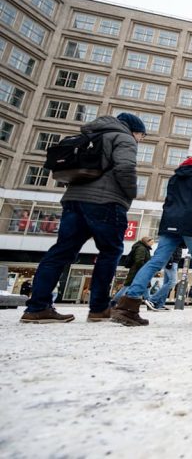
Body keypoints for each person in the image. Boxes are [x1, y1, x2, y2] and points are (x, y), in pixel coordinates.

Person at [20, 113, 145, 324]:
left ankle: (37, 307)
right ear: (134, 130)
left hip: (73, 200)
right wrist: (131, 193)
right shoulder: (123, 138)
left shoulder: (91, 135)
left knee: (61, 251)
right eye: (142, 135)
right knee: (109, 252)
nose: (140, 140)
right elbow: (125, 168)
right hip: (106, 202)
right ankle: (98, 308)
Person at [112, 144, 192, 326]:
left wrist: (167, 223)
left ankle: (128, 304)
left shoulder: (176, 175)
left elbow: (168, 202)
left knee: (156, 261)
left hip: (170, 223)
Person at [110, 236, 153, 305]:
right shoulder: (141, 248)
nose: (152, 244)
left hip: (139, 271)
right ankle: (114, 302)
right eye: (151, 242)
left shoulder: (144, 248)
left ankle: (149, 302)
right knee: (127, 287)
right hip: (137, 271)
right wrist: (144, 269)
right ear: (147, 242)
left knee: (146, 286)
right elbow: (139, 261)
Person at [146, 244, 183, 311]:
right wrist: (170, 261)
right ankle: (152, 299)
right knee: (173, 282)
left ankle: (159, 304)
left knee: (166, 283)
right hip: (171, 261)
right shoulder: (175, 237)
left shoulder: (179, 239)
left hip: (173, 261)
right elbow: (169, 249)